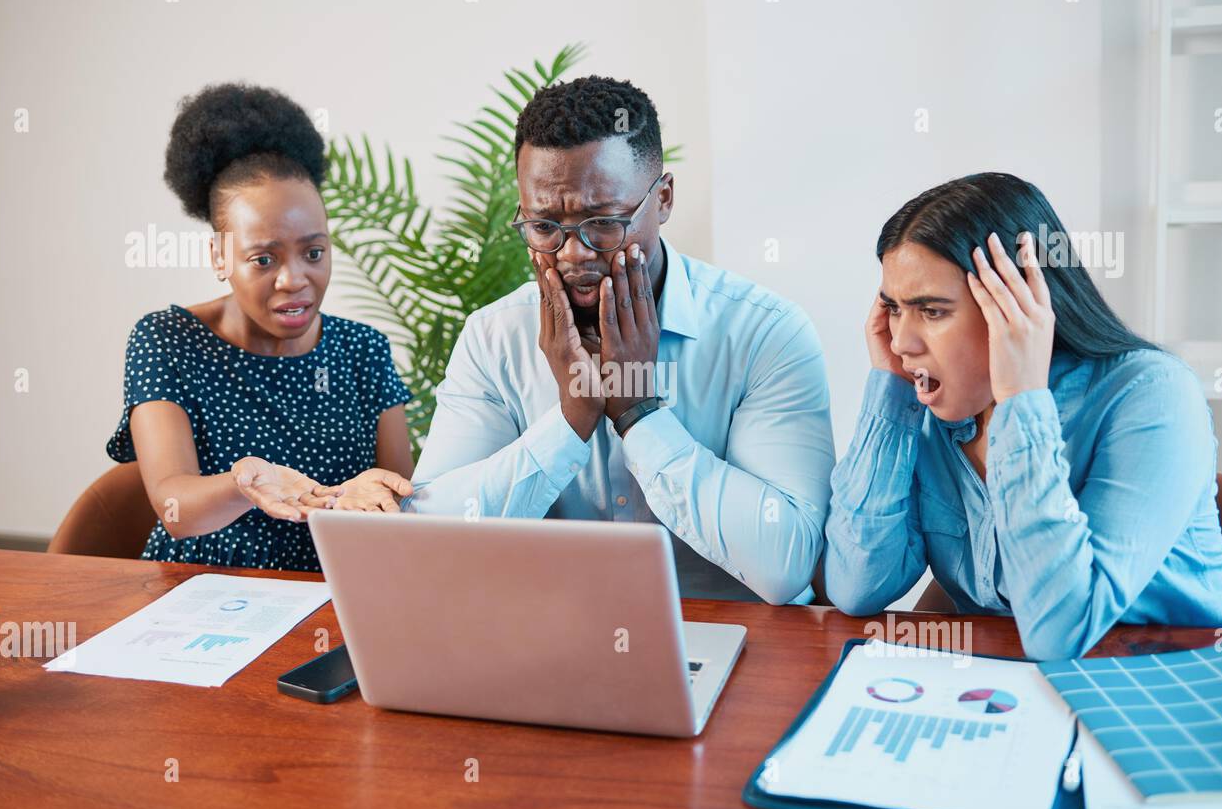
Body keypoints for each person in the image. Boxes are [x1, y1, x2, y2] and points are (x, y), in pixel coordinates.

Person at [406, 76, 835, 603]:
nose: (572, 255)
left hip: (737, 643)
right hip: (551, 648)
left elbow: (786, 564)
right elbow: (431, 541)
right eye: (544, 227)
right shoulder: (493, 337)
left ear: (665, 198)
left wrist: (639, 412)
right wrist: (569, 421)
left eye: (604, 223)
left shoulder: (764, 333)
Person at [824, 172, 1222, 658]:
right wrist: (890, 394)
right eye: (893, 309)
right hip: (1041, 689)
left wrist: (1021, 398)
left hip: (1203, 685)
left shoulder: (1153, 394)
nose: (901, 342)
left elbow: (1061, 631)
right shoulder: (935, 410)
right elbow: (855, 586)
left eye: (931, 311)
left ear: (1019, 302)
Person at [107, 83, 415, 572]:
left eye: (314, 252)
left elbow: (402, 500)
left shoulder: (362, 350)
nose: (295, 280)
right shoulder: (168, 340)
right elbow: (175, 509)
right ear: (219, 256)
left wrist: (371, 500)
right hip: (199, 591)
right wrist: (244, 485)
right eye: (264, 258)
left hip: (333, 595)